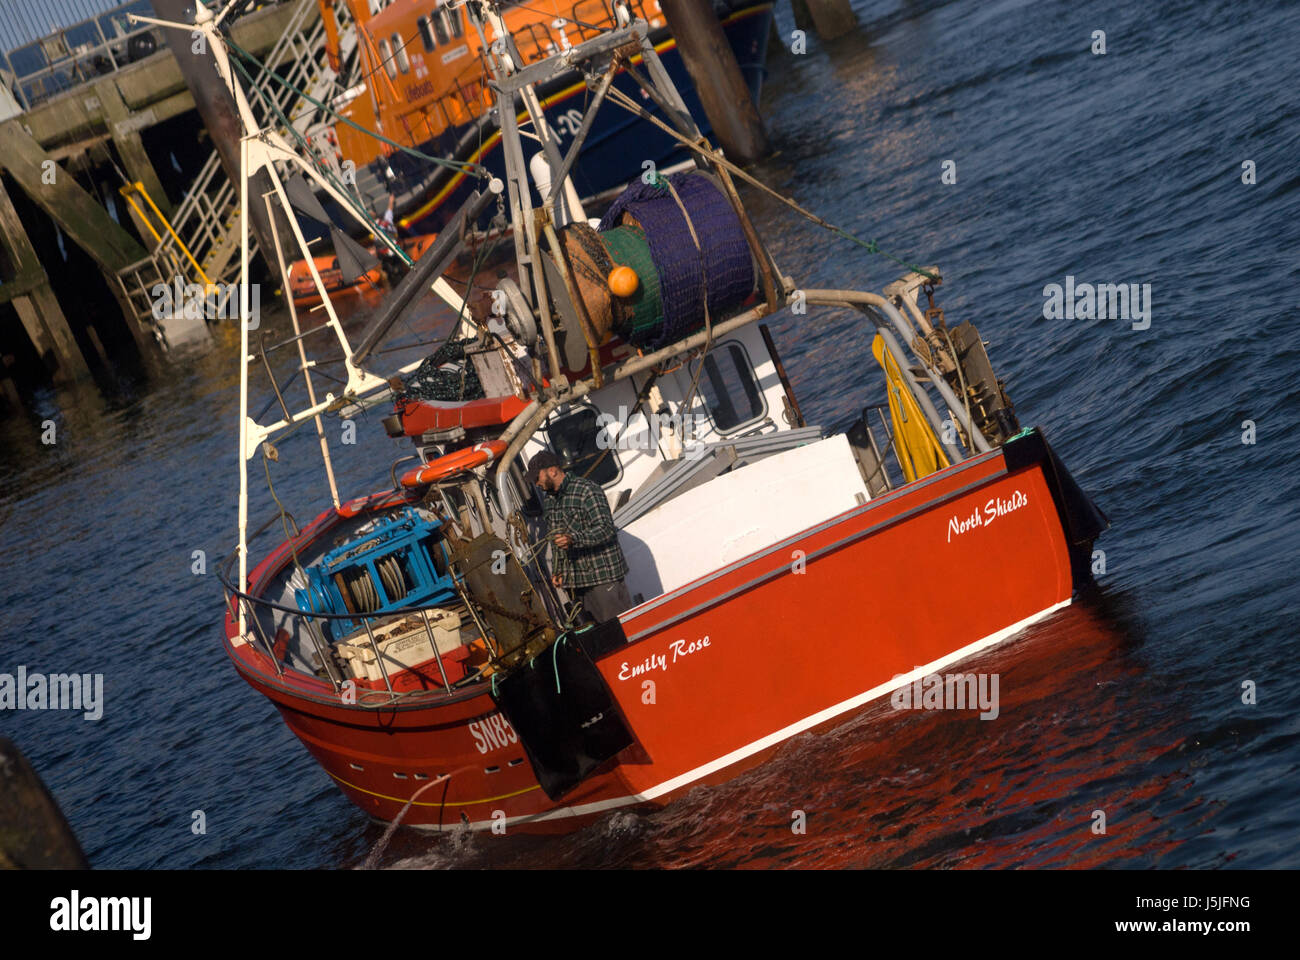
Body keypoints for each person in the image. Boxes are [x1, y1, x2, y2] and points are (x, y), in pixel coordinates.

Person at [526, 450, 631, 623]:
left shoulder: (587, 490)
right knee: (599, 636)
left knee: (620, 629)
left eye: (537, 477)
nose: (536, 483)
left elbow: (606, 529)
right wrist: (558, 571)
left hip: (603, 579)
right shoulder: (550, 501)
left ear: (552, 471)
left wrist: (573, 539)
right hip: (578, 583)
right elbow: (556, 539)